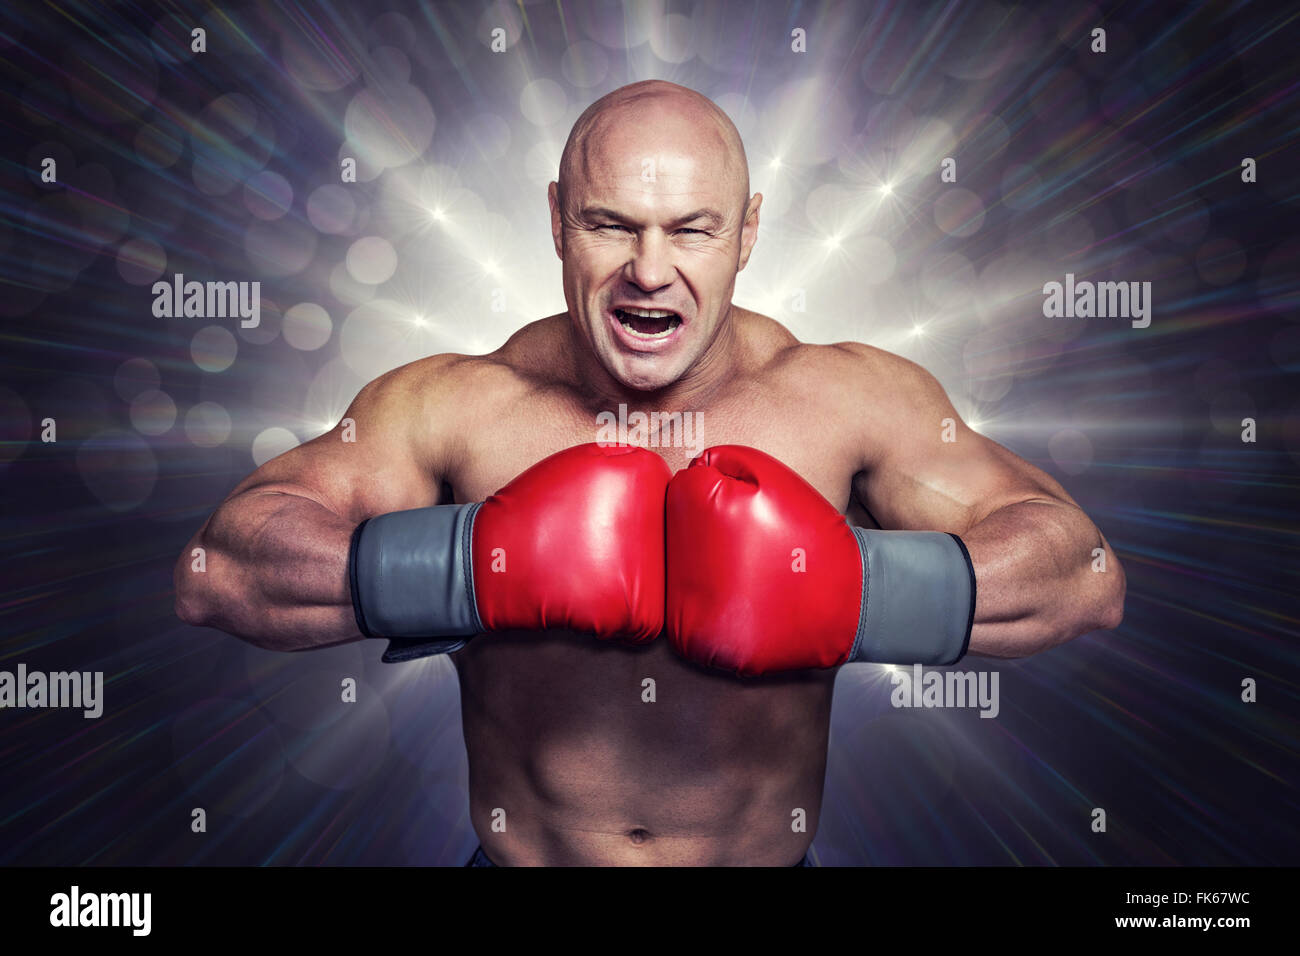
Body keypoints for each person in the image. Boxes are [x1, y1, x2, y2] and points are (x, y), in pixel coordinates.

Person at [174, 80, 1125, 866]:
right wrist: (471, 565)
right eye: (609, 224)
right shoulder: (456, 405)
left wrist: (854, 590)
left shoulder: (847, 401)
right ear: (556, 221)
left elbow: (1083, 577)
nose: (649, 269)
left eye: (693, 231)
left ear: (748, 233)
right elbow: (219, 574)